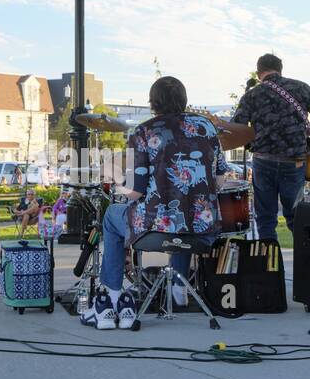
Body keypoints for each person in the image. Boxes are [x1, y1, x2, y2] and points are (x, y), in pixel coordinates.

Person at [84, 76, 229, 331]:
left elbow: (136, 192)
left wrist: (117, 181)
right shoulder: (207, 127)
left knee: (111, 216)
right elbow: (219, 179)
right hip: (202, 231)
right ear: (184, 100)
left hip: (154, 228)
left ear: (153, 103)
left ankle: (111, 303)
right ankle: (179, 287)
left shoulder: (144, 132)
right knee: (186, 213)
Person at [230, 53, 310, 240]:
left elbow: (238, 129)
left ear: (259, 72)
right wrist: (307, 131)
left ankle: (272, 266)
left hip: (263, 161)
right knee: (296, 218)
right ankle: (307, 264)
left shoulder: (251, 95)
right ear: (280, 70)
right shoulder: (300, 87)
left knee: (266, 219)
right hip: (295, 163)